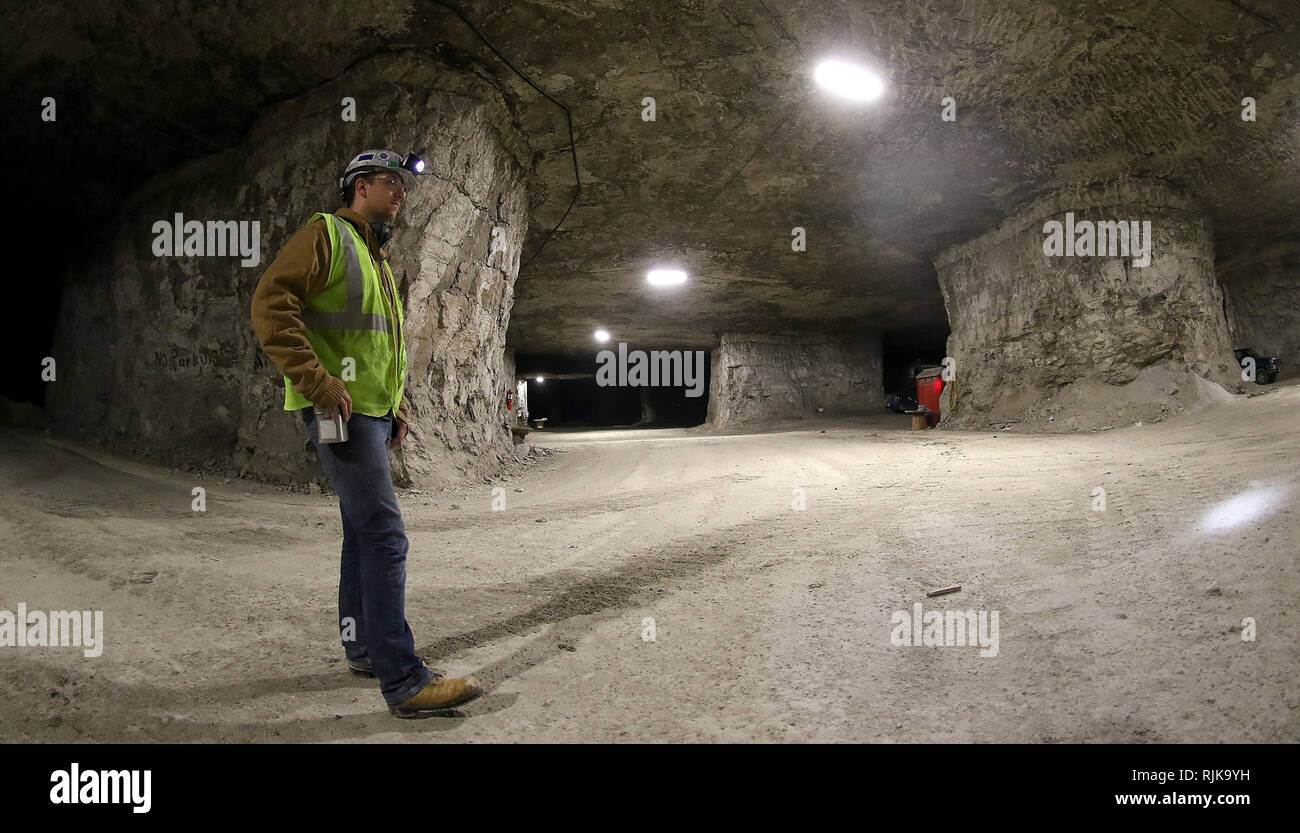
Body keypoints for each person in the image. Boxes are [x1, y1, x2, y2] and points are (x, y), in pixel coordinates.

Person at [250, 148, 483, 717]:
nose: (400, 193)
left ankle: (363, 648)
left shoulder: (375, 256)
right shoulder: (326, 234)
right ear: (358, 187)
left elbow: (381, 346)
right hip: (338, 411)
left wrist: (394, 406)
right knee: (384, 535)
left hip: (370, 413)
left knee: (361, 533)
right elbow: (270, 305)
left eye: (403, 186)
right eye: (389, 183)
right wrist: (318, 382)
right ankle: (404, 680)